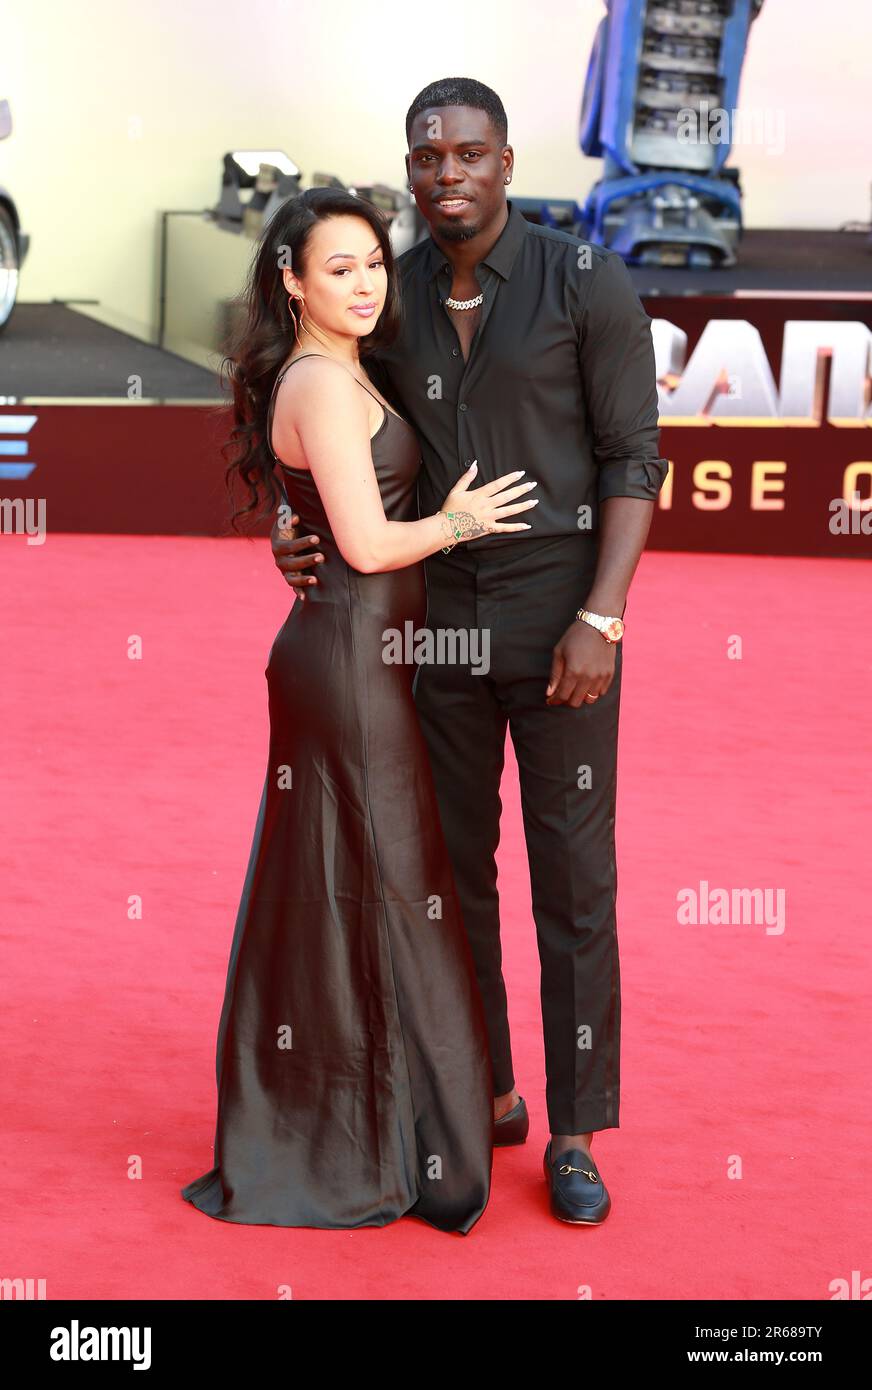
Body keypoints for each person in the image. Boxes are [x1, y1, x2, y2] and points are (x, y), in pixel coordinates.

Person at [272, 78, 669, 1225]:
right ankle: (484, 1088)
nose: (446, 172)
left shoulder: (584, 281)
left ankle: (575, 1130)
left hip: (560, 624)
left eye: (469, 153)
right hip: (429, 622)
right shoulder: (379, 294)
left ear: (505, 160)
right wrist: (292, 524)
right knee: (454, 879)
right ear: (408, 166)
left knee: (572, 880)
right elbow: (320, 414)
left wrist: (600, 617)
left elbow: (631, 462)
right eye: (427, 154)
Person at [180, 186, 539, 1233]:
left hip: (363, 656)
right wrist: (461, 518)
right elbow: (371, 545)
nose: (366, 280)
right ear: (291, 279)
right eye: (338, 266)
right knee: (388, 883)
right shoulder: (323, 386)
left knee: (368, 884)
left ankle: (370, 1120)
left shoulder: (343, 372)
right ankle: (385, 1139)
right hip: (344, 662)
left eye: (375, 262)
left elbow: (332, 531)